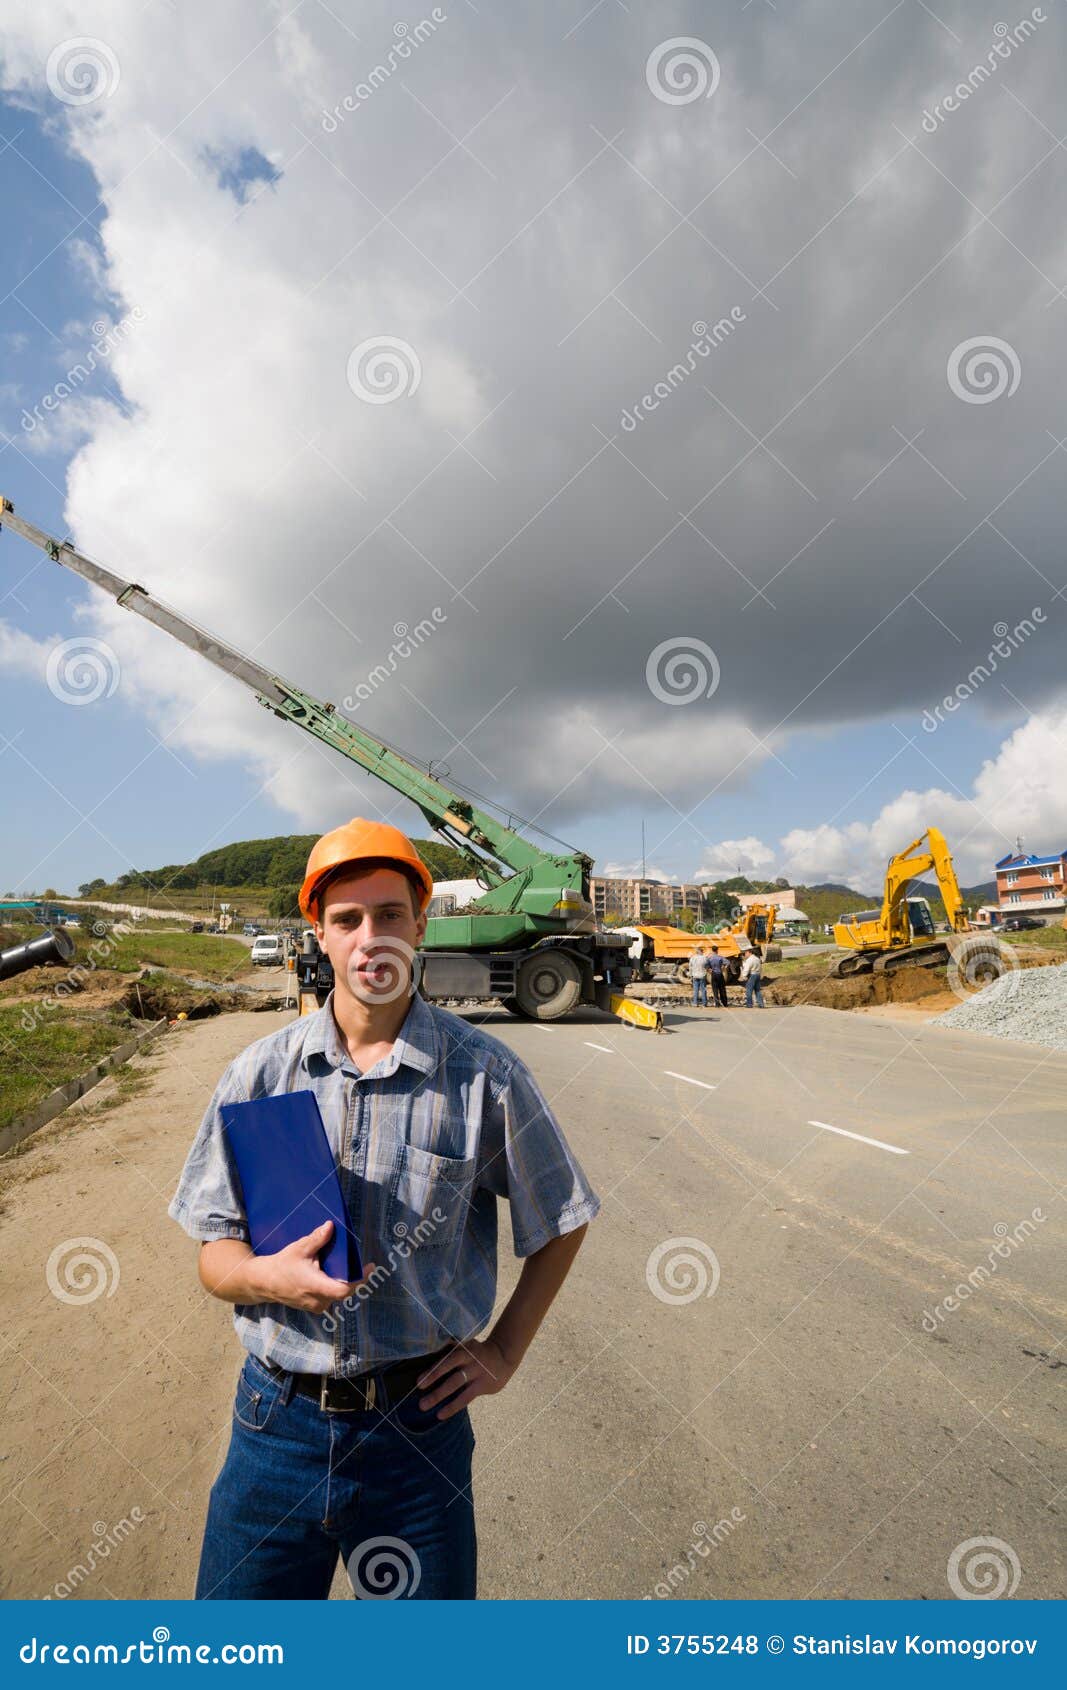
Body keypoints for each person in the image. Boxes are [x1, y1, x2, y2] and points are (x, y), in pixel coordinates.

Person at [168, 817, 600, 1602]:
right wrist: (264, 1277)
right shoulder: (259, 1075)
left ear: (421, 924)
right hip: (275, 1429)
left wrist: (503, 1352)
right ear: (320, 935)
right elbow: (213, 1257)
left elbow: (562, 1216)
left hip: (416, 1438)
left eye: (390, 914)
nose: (372, 938)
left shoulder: (483, 1075)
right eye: (347, 919)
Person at [740, 943, 764, 1009]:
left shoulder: (749, 960)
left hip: (752, 975)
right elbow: (760, 967)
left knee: (749, 990)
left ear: (748, 952)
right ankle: (761, 1004)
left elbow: (747, 969)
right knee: (758, 990)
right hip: (757, 974)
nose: (745, 954)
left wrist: (744, 976)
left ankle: (749, 1004)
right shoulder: (757, 958)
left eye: (745, 953)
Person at [708, 944, 728, 1008]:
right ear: (717, 950)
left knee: (715, 989)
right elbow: (728, 962)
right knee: (722, 989)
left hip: (713, 974)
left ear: (712, 950)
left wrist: (709, 970)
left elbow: (705, 965)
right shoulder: (720, 957)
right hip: (719, 974)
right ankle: (724, 1003)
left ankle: (717, 1004)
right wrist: (724, 967)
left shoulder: (709, 958)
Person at [688, 943, 708, 1007]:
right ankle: (704, 1003)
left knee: (695, 990)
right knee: (703, 990)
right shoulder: (704, 958)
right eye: (702, 951)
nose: (703, 952)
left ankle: (695, 1003)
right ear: (701, 951)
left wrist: (691, 975)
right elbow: (706, 966)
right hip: (702, 975)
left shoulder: (692, 958)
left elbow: (690, 967)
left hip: (695, 976)